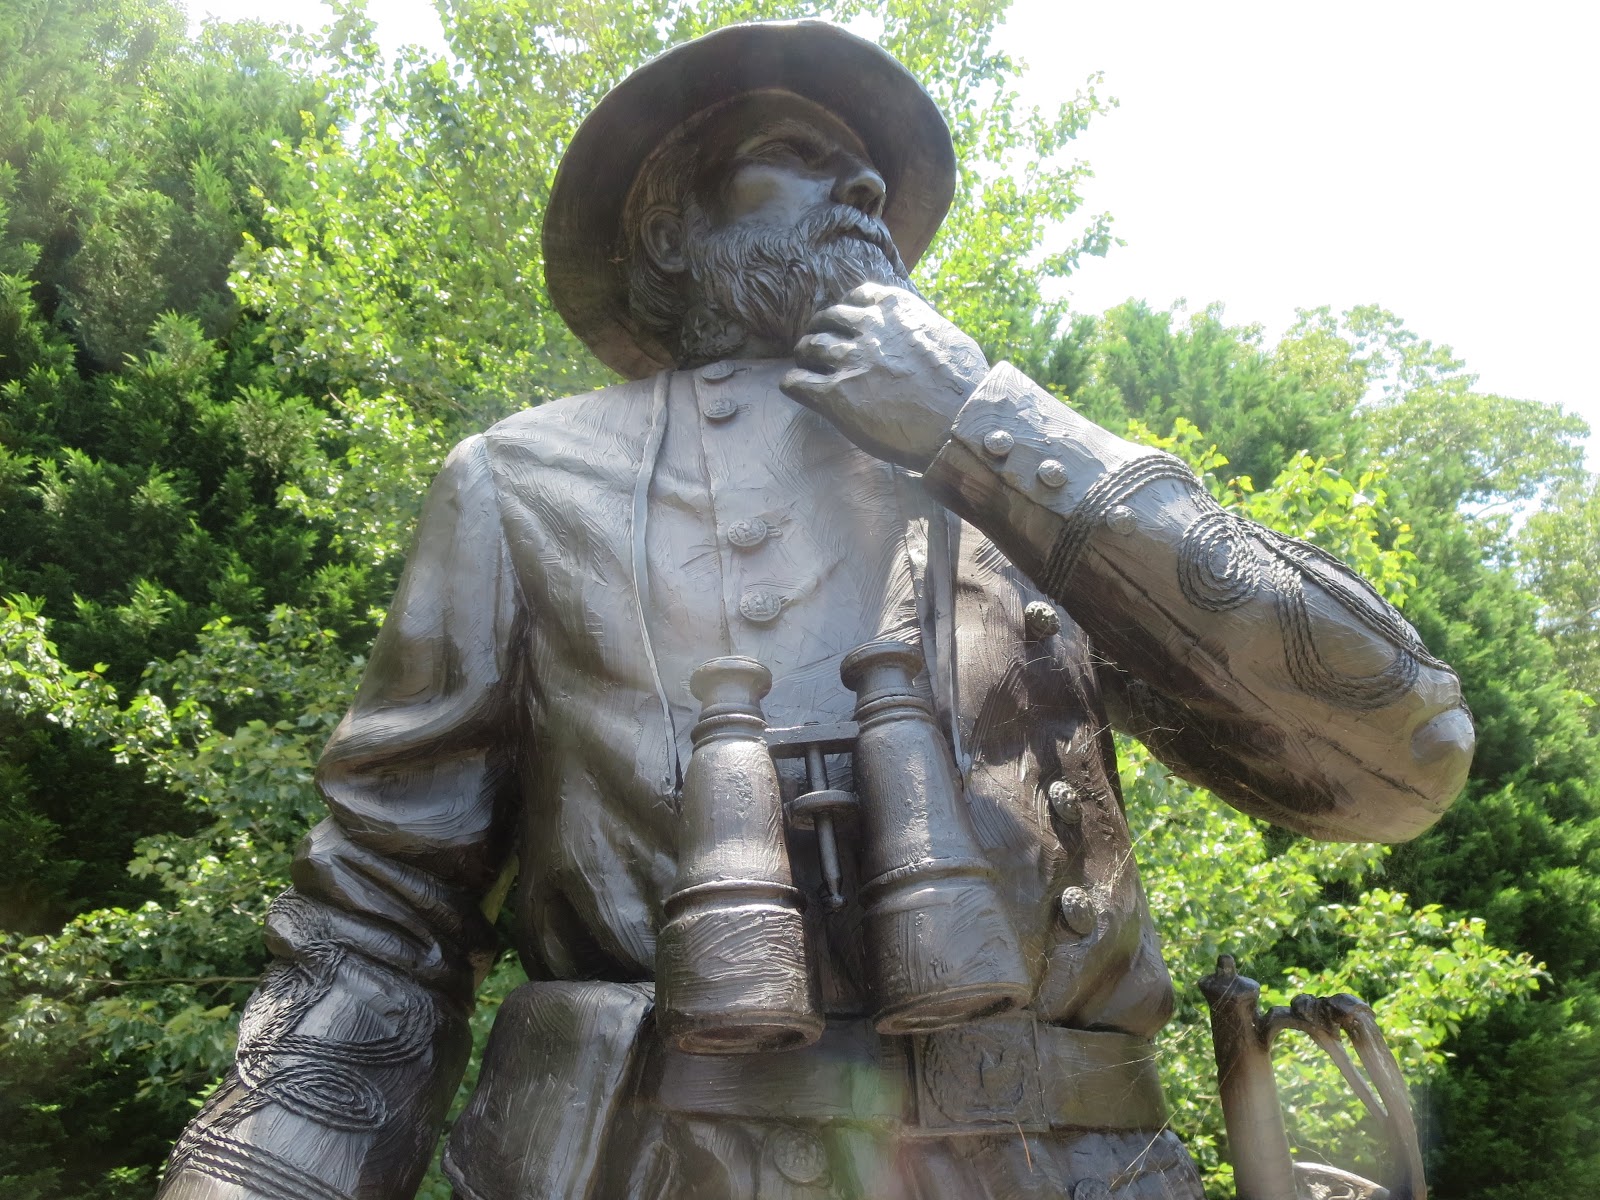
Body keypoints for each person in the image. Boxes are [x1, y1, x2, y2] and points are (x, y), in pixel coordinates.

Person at [158, 20, 1474, 1200]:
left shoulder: (1020, 475)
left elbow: (1400, 762)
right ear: (670, 230)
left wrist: (984, 422)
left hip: (1073, 1171)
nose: (864, 189)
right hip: (673, 1169)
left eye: (874, 177)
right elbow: (379, 922)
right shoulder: (524, 485)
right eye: (798, 150)